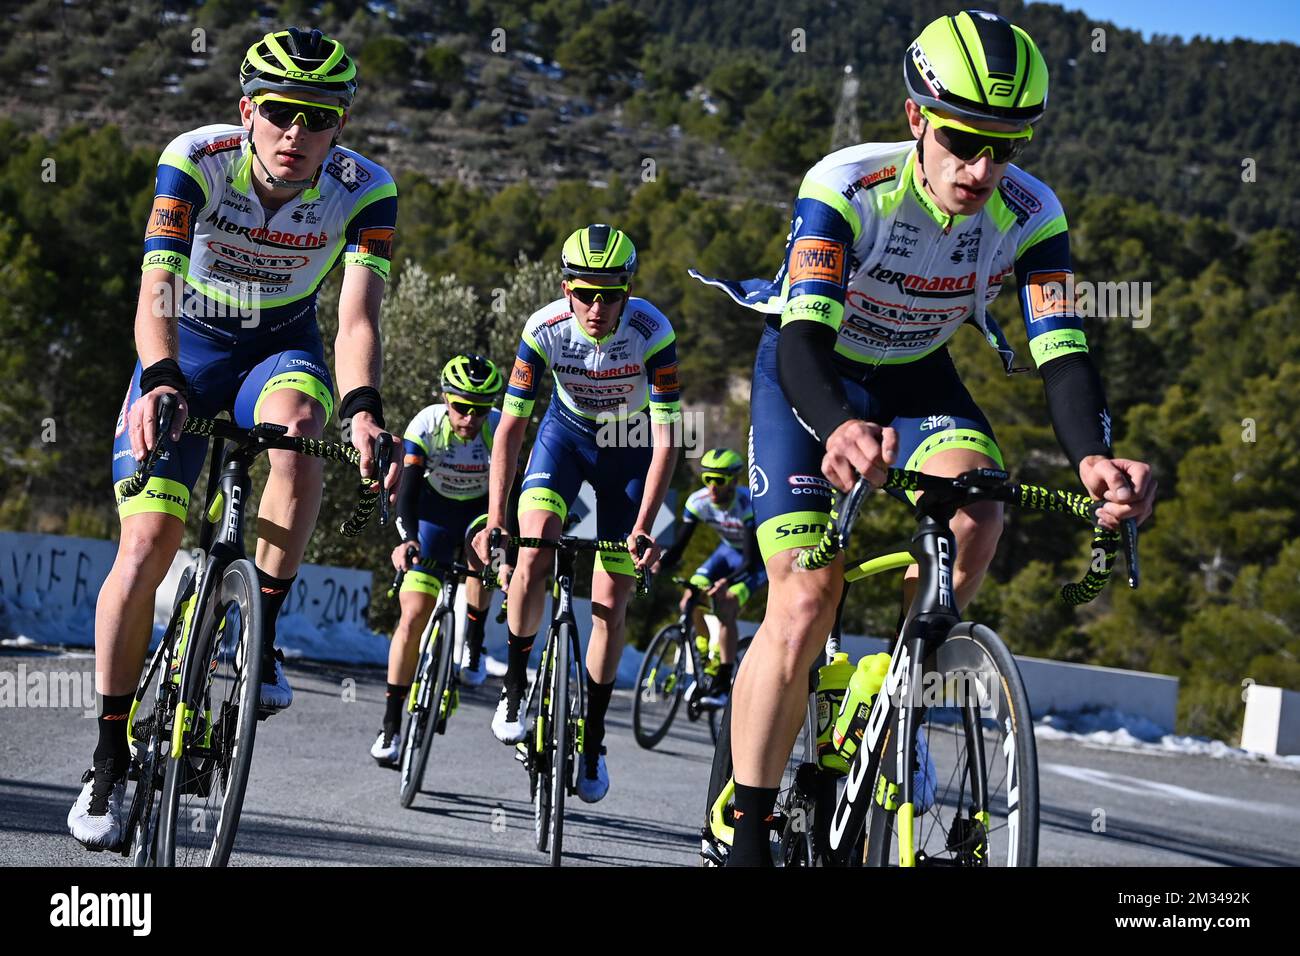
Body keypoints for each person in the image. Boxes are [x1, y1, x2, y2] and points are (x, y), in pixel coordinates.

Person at [692, 9, 1156, 865]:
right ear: (916, 117)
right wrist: (837, 427)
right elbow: (802, 342)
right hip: (812, 375)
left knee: (980, 510)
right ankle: (746, 822)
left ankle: (896, 707)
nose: (981, 169)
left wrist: (1093, 456)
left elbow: (1062, 351)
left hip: (916, 378)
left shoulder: (1031, 213)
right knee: (805, 597)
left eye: (1004, 147)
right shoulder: (848, 184)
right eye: (962, 141)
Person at [70, 28, 400, 850]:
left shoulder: (366, 190)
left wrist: (364, 407)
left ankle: (263, 635)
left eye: (318, 117)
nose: (297, 132)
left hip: (279, 348)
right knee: (147, 543)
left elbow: (356, 317)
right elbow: (156, 284)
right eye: (281, 111)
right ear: (247, 110)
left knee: (301, 429)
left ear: (341, 124)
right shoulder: (197, 159)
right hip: (186, 346)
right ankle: (107, 759)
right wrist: (160, 377)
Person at [474, 224, 680, 803]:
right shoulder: (542, 329)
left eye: (610, 295)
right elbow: (510, 429)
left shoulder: (652, 332)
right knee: (533, 552)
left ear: (627, 292)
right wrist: (496, 518)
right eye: (585, 293)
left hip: (629, 446)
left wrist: (644, 526)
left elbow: (667, 440)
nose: (597, 307)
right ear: (566, 288)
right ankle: (515, 686)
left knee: (611, 602)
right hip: (564, 438)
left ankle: (591, 738)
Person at [371, 354, 504, 765]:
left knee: (482, 551)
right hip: (432, 516)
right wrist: (408, 540)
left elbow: (511, 496)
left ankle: (474, 644)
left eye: (480, 409)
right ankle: (391, 725)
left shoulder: (499, 429)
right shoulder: (427, 425)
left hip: (478, 513)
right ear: (445, 399)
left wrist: (505, 549)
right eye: (461, 407)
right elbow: (407, 494)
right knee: (413, 616)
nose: (470, 418)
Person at [654, 448, 764, 708]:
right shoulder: (698, 502)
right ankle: (703, 649)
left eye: (720, 480)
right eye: (708, 479)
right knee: (689, 598)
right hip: (726, 553)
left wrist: (726, 582)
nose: (713, 486)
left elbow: (749, 561)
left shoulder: (747, 503)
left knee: (726, 605)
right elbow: (679, 548)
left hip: (756, 561)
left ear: (734, 480)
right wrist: (657, 564)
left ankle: (723, 680)